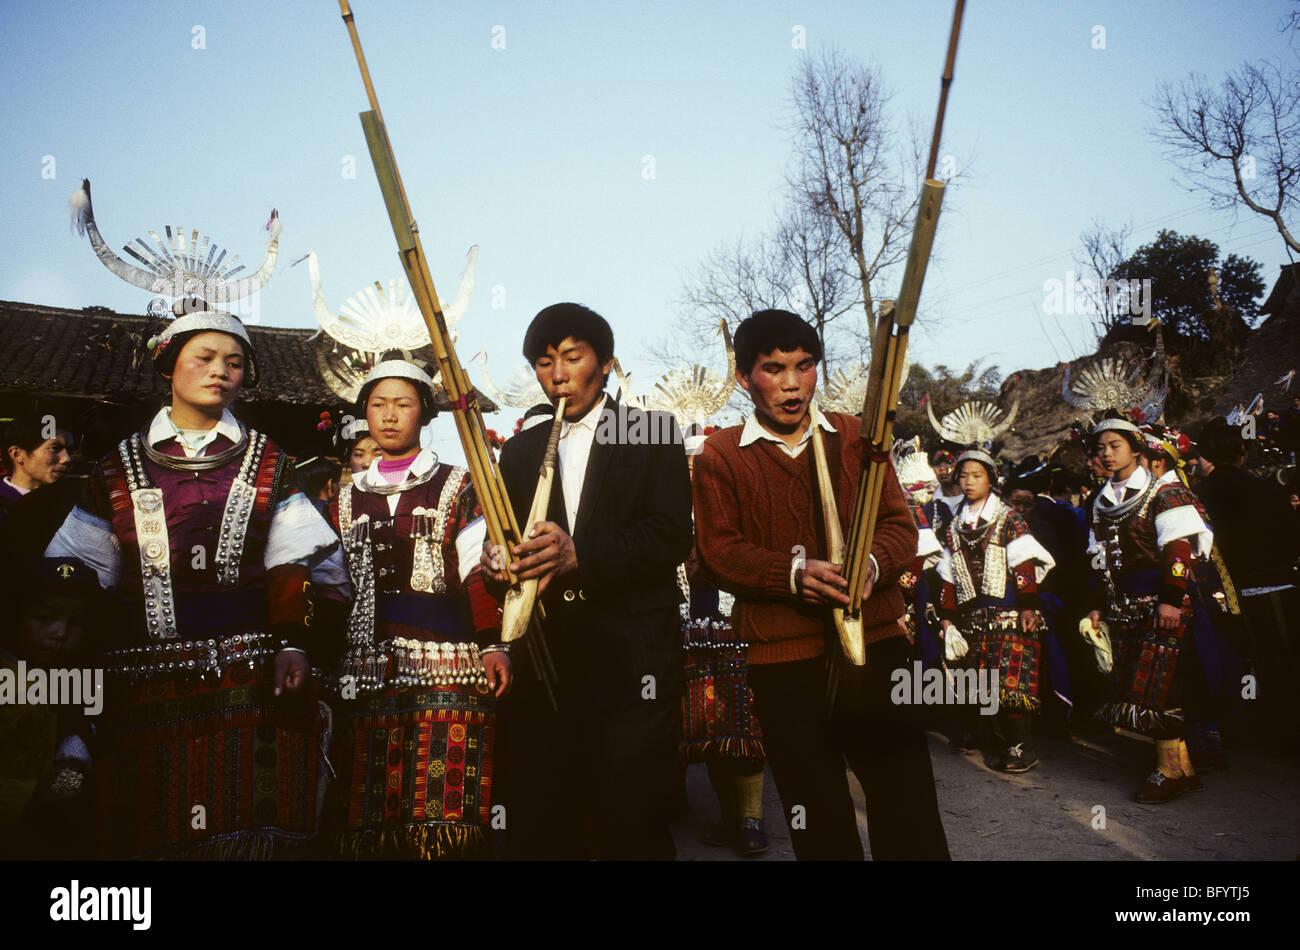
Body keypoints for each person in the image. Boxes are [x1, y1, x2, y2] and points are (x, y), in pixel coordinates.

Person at [45, 300, 349, 858]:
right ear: (168, 368)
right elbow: (80, 578)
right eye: (205, 357)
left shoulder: (268, 462)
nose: (220, 372)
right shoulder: (118, 467)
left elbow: (299, 563)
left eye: (234, 363)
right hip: (140, 679)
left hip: (250, 677)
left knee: (245, 830)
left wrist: (294, 643)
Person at [692, 309, 949, 861]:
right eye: (773, 368)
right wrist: (793, 575)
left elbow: (901, 526)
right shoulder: (720, 454)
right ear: (743, 378)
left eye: (805, 366)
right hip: (781, 658)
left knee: (905, 797)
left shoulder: (856, 437)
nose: (791, 383)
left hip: (877, 644)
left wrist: (871, 566)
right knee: (817, 809)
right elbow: (718, 552)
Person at [481, 302, 692, 860]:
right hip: (549, 662)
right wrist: (497, 566)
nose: (557, 373)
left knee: (632, 818)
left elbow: (671, 536)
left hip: (633, 661)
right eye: (544, 362)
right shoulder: (520, 450)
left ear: (605, 363)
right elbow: (511, 549)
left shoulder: (650, 431)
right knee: (547, 818)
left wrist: (581, 556)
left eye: (572, 357)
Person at [322, 359, 507, 858]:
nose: (389, 416)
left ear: (424, 413)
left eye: (403, 404)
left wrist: (494, 644)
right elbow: (329, 589)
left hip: (444, 663)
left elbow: (476, 571)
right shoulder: (342, 499)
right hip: (363, 666)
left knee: (439, 799)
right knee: (368, 797)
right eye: (378, 405)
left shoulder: (458, 484)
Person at [1084, 417, 1235, 803]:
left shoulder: (1164, 493)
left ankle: (1169, 769)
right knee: (1146, 687)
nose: (1106, 453)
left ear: (1137, 450)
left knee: (1163, 688)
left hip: (1162, 602)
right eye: (1101, 447)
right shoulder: (1100, 502)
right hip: (1126, 607)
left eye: (1115, 445)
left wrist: (1170, 597)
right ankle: (1183, 769)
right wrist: (1099, 606)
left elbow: (1178, 549)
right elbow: (1100, 561)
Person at [680, 427, 768, 857]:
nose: (696, 470)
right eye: (690, 464)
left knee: (743, 724)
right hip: (692, 628)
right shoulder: (672, 510)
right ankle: (730, 815)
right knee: (709, 726)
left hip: (735, 626)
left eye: (702, 463)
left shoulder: (738, 503)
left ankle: (752, 818)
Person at [938, 452, 1055, 771]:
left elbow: (1023, 562)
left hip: (1010, 611)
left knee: (1011, 682)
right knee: (985, 683)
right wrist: (947, 617)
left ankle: (1022, 748)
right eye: (963, 475)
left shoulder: (1008, 518)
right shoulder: (954, 525)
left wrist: (1029, 606)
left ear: (991, 479)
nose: (969, 481)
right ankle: (994, 738)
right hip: (974, 617)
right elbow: (947, 575)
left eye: (976, 475)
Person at [1, 416, 72, 517]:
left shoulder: (68, 504)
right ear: (17, 454)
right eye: (55, 448)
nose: (67, 459)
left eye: (70, 451)